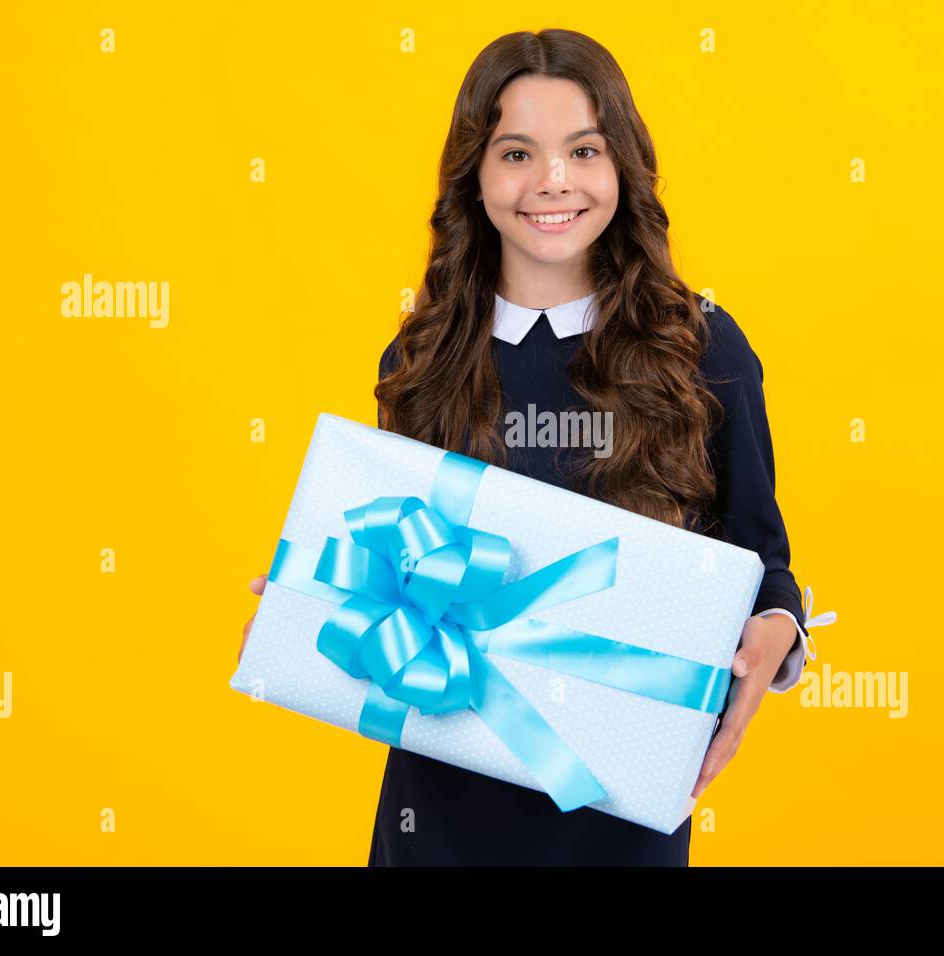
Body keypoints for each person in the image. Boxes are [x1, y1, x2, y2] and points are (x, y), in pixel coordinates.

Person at [240, 28, 811, 866]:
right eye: (516, 152)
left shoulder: (705, 351)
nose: (553, 182)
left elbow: (764, 562)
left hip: (620, 817)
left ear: (623, 166)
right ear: (474, 175)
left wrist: (776, 634)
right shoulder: (420, 358)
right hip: (436, 815)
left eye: (584, 150)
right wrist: (316, 603)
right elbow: (400, 574)